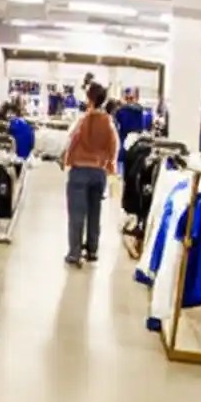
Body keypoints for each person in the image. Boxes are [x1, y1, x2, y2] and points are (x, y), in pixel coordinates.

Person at [61, 82, 119, 267]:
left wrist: (67, 161)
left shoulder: (83, 119)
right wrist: (109, 164)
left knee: (77, 214)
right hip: (98, 173)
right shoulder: (108, 121)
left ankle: (74, 254)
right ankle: (92, 251)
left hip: (79, 171)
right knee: (95, 213)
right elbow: (114, 145)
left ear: (90, 99)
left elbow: (71, 139)